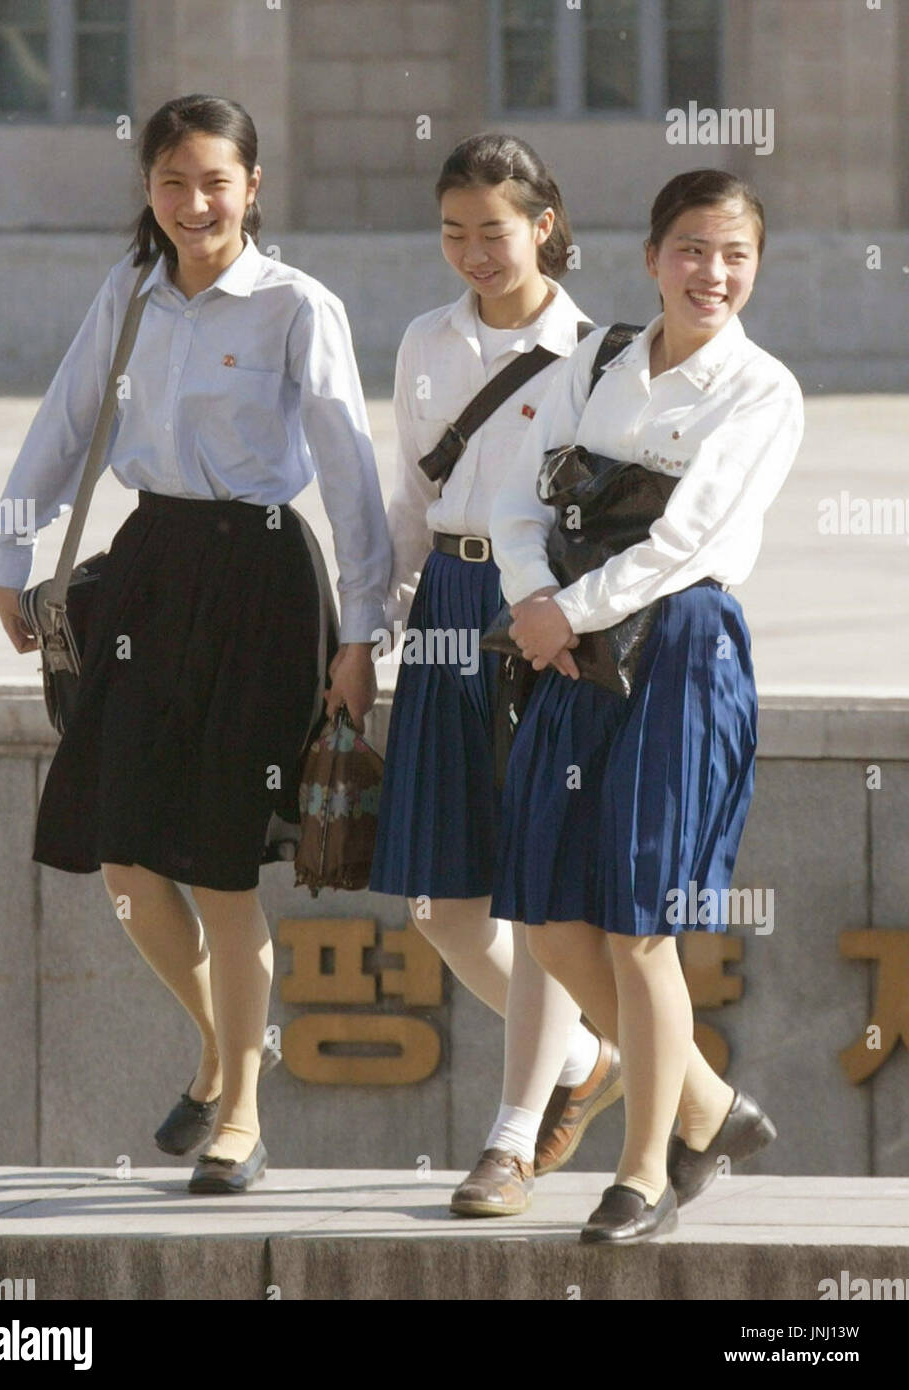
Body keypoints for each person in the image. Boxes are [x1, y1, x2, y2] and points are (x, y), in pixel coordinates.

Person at [0, 94, 391, 1195]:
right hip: (150, 572)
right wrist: (8, 554)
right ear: (149, 191)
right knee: (122, 855)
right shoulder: (128, 295)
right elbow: (68, 424)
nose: (194, 202)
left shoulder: (298, 306)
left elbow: (351, 475)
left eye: (216, 181)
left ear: (254, 186)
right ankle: (220, 1045)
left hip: (263, 581)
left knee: (217, 865)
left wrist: (364, 633)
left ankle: (242, 1115)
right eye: (173, 181)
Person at [489, 168, 804, 1242]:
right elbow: (510, 488)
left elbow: (686, 544)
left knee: (638, 924)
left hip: (675, 649)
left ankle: (644, 1175)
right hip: (570, 648)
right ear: (649, 255)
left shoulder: (761, 392)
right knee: (540, 907)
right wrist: (530, 597)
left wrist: (561, 611)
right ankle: (708, 1107)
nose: (709, 274)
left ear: (753, 266)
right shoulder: (600, 357)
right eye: (689, 249)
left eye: (733, 255)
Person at [369, 133, 622, 1218]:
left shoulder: (599, 356)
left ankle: (511, 1139)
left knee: (535, 886)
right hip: (445, 611)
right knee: (438, 899)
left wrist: (568, 621)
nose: (473, 251)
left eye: (494, 229)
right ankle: (578, 1061)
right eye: (453, 231)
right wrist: (361, 629)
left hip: (540, 623)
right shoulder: (424, 339)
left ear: (544, 225)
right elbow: (407, 500)